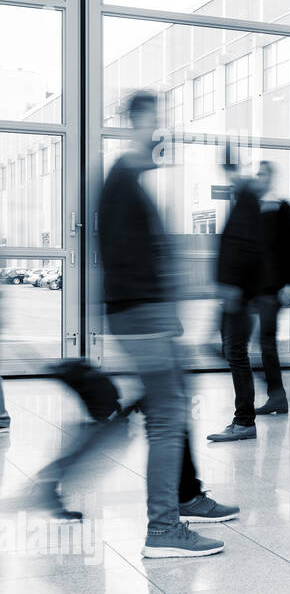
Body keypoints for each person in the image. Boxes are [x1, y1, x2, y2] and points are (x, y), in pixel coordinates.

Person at [98, 91, 232, 557]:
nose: (162, 127)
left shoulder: (134, 177)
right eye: (156, 118)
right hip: (141, 314)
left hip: (146, 313)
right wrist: (156, 316)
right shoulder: (123, 178)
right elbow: (124, 258)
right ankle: (163, 530)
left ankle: (183, 499)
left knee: (167, 411)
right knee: (167, 419)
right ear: (134, 120)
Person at [208, 158, 271, 443]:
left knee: (235, 353)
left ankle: (244, 421)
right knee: (232, 351)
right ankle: (244, 417)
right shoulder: (245, 203)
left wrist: (234, 288)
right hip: (235, 293)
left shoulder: (247, 202)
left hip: (238, 295)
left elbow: (243, 249)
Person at [251, 165, 290, 415]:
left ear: (271, 178)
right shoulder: (252, 208)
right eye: (258, 174)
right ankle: (275, 392)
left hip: (273, 289)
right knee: (246, 342)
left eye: (264, 174)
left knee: (265, 341)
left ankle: (277, 395)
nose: (260, 178)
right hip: (253, 289)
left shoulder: (282, 208)